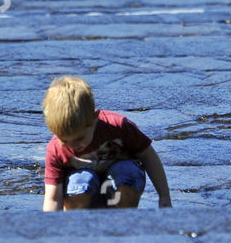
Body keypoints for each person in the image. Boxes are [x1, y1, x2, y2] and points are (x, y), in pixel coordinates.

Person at [42, 75, 172, 211]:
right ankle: (78, 223)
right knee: (81, 181)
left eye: (79, 139)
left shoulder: (118, 127)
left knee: (127, 171)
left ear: (94, 119)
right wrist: (52, 227)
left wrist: (164, 196)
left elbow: (148, 156)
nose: (72, 146)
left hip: (118, 184)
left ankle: (123, 217)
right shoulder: (55, 149)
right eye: (64, 141)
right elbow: (53, 197)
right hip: (83, 191)